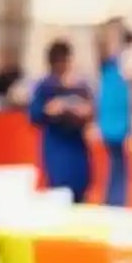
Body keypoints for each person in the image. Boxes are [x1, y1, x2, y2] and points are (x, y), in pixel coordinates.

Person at [29, 40, 93, 203]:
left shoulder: (80, 87)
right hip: (56, 146)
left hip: (76, 147)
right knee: (59, 193)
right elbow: (34, 115)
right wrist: (50, 109)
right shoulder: (45, 87)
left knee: (79, 191)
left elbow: (90, 112)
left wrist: (81, 111)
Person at [96, 20, 132, 208]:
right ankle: (115, 201)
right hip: (113, 125)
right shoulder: (111, 69)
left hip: (116, 123)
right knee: (116, 165)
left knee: (118, 165)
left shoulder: (117, 68)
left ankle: (115, 201)